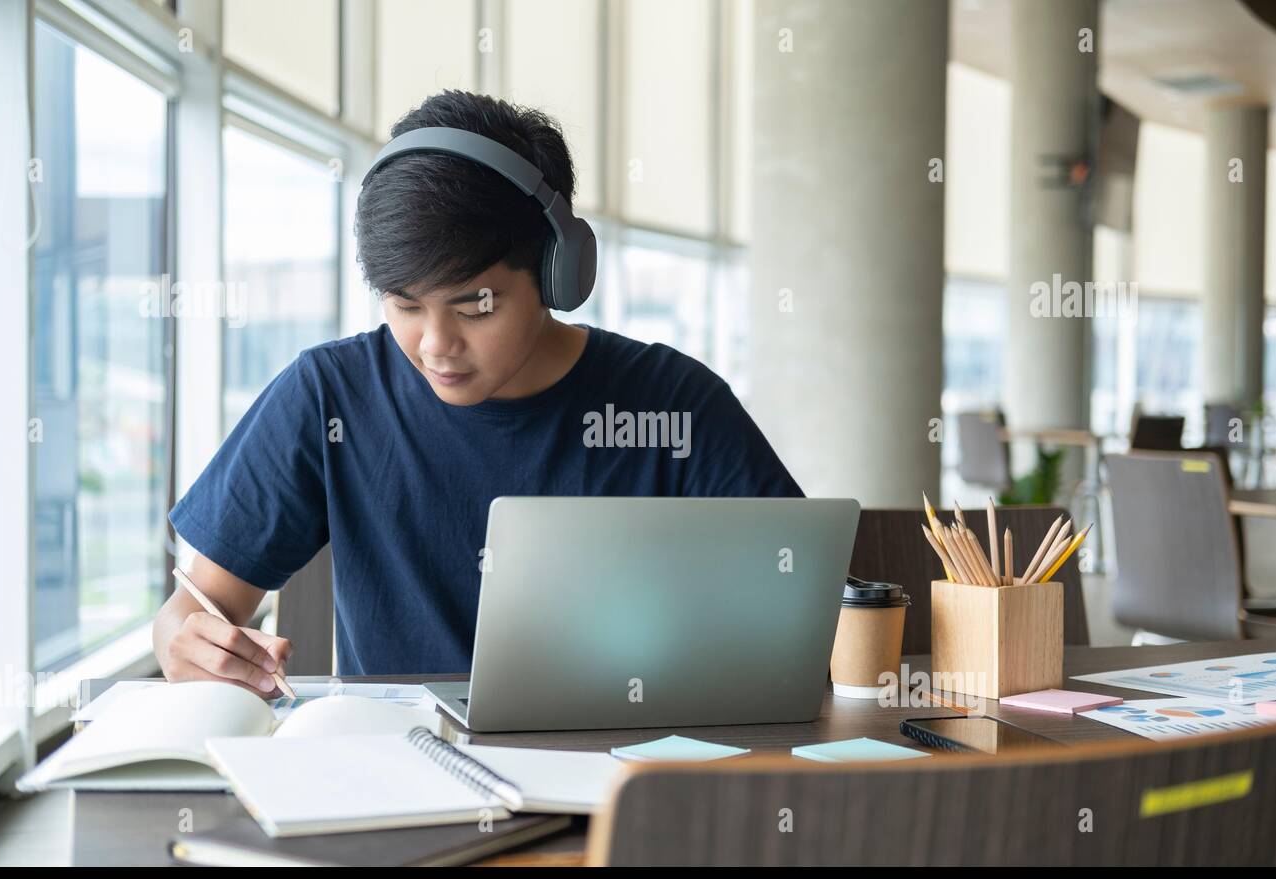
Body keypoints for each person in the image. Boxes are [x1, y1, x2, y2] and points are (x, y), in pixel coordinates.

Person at [152, 90, 801, 696]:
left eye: (475, 307)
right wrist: (185, 644)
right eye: (405, 306)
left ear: (557, 273)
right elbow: (193, 610)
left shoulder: (673, 404)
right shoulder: (330, 397)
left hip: (623, 780)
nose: (436, 344)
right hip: (404, 782)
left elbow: (801, 597)